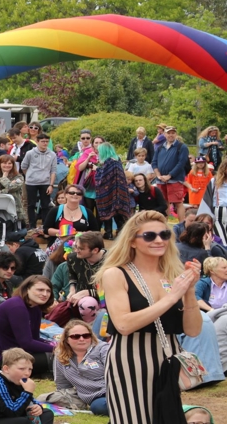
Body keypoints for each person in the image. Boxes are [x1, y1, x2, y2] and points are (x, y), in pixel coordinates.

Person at [97, 210, 202, 424]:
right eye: (149, 236)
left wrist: (189, 291)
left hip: (167, 359)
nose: (159, 240)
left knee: (166, 418)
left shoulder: (173, 273)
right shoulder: (116, 274)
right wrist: (172, 297)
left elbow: (192, 330)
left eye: (164, 235)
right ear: (132, 241)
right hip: (130, 358)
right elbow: (124, 325)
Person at [0, 276, 55, 377]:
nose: (45, 294)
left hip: (19, 354)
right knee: (55, 358)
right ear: (27, 289)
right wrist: (55, 349)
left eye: (48, 291)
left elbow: (35, 338)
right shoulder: (17, 307)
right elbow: (26, 343)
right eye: (40, 290)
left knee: (60, 356)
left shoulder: (35, 307)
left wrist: (54, 345)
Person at [0, 347, 55, 424]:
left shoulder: (17, 379)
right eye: (21, 369)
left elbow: (30, 402)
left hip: (7, 417)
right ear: (6, 369)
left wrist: (38, 407)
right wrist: (27, 392)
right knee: (23, 422)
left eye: (30, 369)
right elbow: (12, 412)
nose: (27, 373)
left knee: (47, 413)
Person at [54, 319, 109, 415]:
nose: (82, 339)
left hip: (113, 390)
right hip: (96, 399)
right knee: (98, 407)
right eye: (76, 336)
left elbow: (116, 373)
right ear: (66, 339)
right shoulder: (60, 356)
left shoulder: (103, 349)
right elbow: (62, 385)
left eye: (86, 335)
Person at [95, 143, 133, 239]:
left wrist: (97, 169)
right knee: (118, 211)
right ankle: (120, 233)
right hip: (120, 191)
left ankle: (109, 233)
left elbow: (102, 178)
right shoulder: (117, 161)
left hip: (109, 192)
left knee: (108, 210)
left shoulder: (109, 162)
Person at [152, 125, 190, 221]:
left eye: (173, 133)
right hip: (161, 180)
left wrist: (169, 175)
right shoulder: (160, 147)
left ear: (176, 134)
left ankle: (182, 225)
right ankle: (165, 225)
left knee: (178, 202)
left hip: (175, 180)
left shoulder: (182, 147)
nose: (171, 135)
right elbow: (154, 162)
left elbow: (181, 163)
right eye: (169, 133)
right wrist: (158, 175)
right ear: (164, 134)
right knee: (164, 203)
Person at [21, 133, 56, 228]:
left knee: (45, 205)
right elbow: (24, 166)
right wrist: (29, 175)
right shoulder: (30, 153)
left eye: (47, 142)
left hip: (45, 182)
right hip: (31, 182)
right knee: (31, 205)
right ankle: (32, 225)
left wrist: (51, 185)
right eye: (43, 141)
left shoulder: (52, 154)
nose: (45, 143)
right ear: (37, 141)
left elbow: (53, 170)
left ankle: (45, 225)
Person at [0, 154, 27, 227]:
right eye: (4, 163)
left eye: (9, 163)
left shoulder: (19, 177)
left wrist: (4, 178)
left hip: (16, 209)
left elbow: (12, 188)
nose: (7, 165)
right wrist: (6, 189)